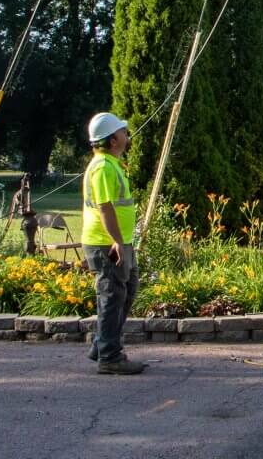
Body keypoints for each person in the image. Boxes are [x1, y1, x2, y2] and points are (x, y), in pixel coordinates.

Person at [82, 111, 144, 375]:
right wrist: (117, 241)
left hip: (118, 242)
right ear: (112, 140)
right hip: (108, 243)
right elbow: (106, 208)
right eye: (122, 131)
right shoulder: (104, 167)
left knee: (126, 290)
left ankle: (102, 345)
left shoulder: (110, 164)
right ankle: (110, 357)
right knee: (112, 297)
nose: (126, 134)